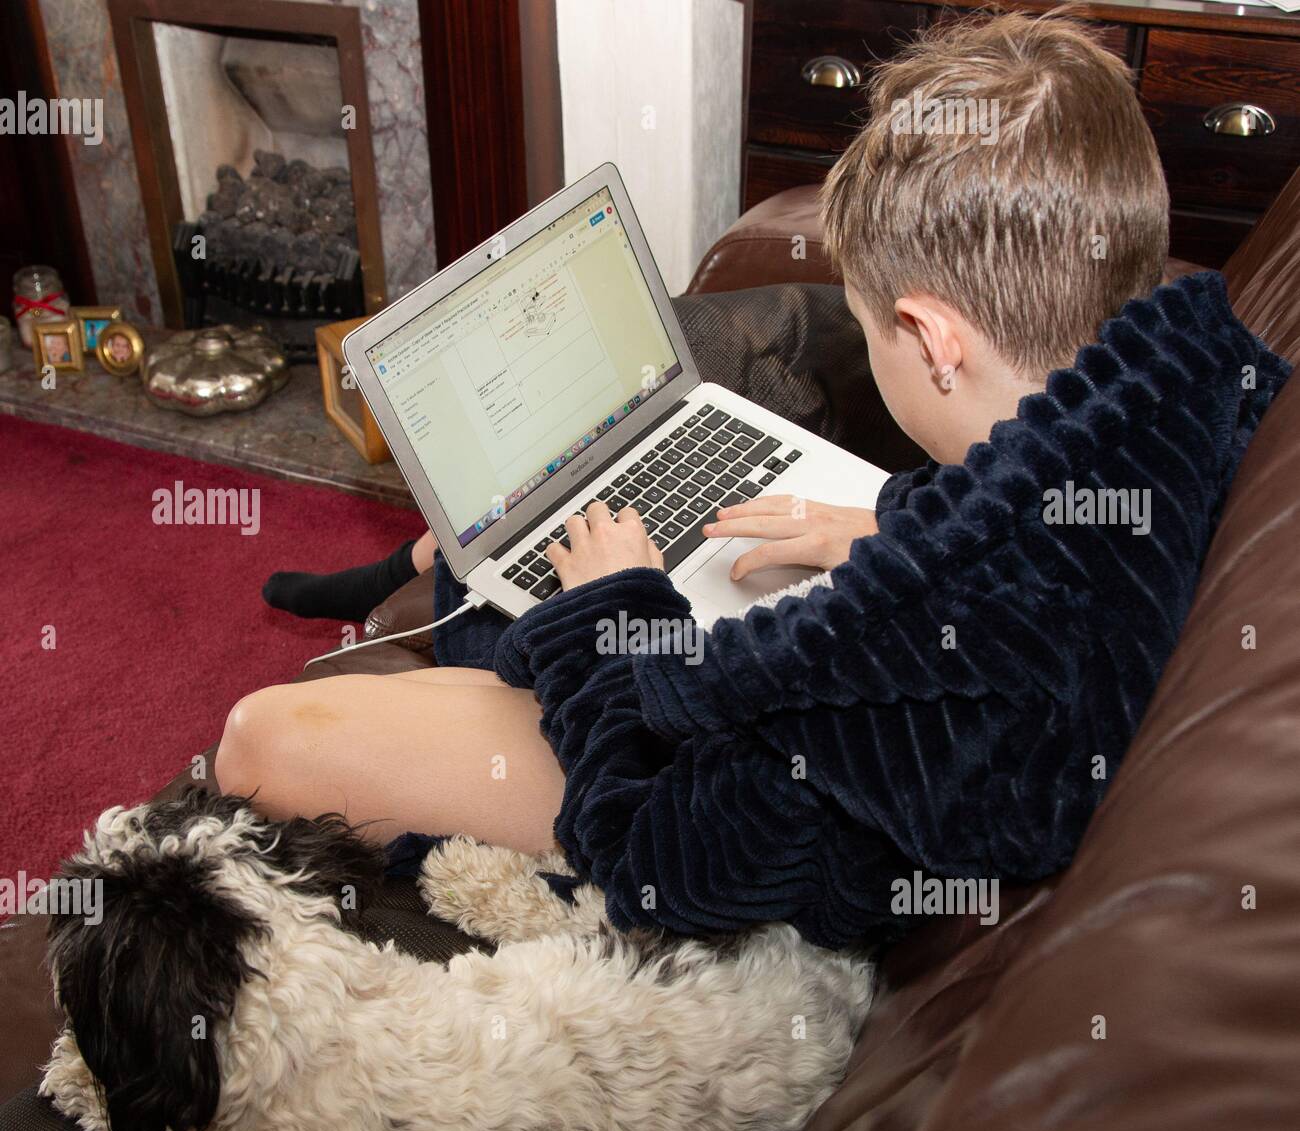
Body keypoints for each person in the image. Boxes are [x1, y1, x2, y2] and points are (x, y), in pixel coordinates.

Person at [220, 12, 1289, 949]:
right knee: (508, 550)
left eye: (867, 322)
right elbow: (1022, 503)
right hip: (845, 613)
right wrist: (891, 516)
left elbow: (658, 857)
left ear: (930, 338)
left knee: (259, 737)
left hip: (691, 775)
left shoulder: (896, 682)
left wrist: (612, 615)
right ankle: (436, 561)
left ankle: (450, 570)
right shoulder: (1179, 389)